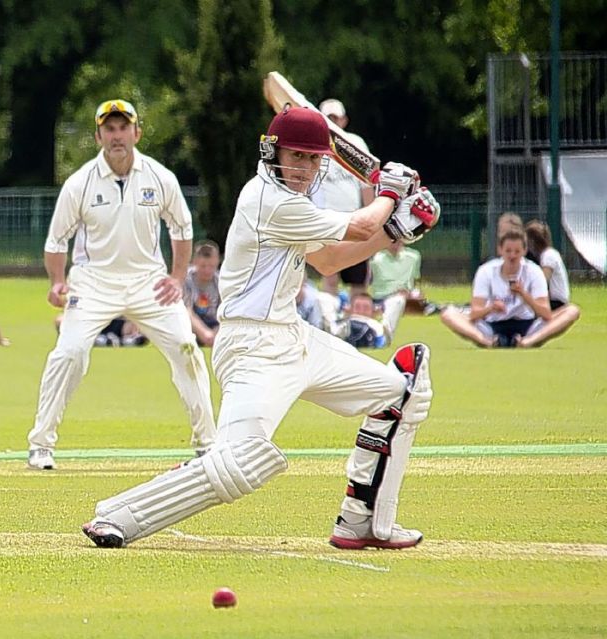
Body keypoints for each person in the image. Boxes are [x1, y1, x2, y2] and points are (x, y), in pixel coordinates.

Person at [81, 106, 440, 551]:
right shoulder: (268, 200)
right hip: (253, 349)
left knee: (399, 393)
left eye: (313, 159)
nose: (304, 168)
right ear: (273, 153)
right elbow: (362, 223)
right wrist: (391, 192)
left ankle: (361, 521)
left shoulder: (296, 202)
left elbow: (328, 260)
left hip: (295, 337)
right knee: (243, 461)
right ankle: (119, 514)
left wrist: (395, 230)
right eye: (296, 156)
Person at [25, 98, 215, 471]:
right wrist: (57, 281)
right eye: (109, 129)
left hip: (149, 283)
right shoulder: (80, 183)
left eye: (123, 128)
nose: (117, 136)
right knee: (69, 353)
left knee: (186, 348)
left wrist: (177, 278)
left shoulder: (160, 177)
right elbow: (56, 240)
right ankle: (41, 445)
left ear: (136, 133)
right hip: (93, 284)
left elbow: (181, 228)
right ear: (98, 137)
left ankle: (208, 444)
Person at [439, 229, 580, 348]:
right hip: (492, 325)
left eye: (517, 251)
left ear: (524, 251)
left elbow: (546, 314)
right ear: (500, 250)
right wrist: (491, 308)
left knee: (572, 310)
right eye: (508, 251)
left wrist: (524, 294)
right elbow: (474, 314)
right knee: (448, 314)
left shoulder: (534, 271)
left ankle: (528, 342)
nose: (512, 256)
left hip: (527, 325)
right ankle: (487, 342)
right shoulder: (486, 271)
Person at [314, 99, 374, 299]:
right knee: (329, 275)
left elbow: (366, 184)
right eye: (328, 118)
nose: (332, 122)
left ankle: (357, 315)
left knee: (358, 278)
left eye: (335, 118)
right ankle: (329, 315)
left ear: (344, 120)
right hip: (327, 221)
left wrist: (372, 219)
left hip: (353, 220)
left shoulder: (356, 144)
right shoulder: (315, 147)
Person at [524, 220, 572, 310]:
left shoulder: (548, 255)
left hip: (556, 302)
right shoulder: (546, 254)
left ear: (532, 241)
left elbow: (543, 281)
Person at [184, 240, 221, 346]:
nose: (207, 270)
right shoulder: (186, 280)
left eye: (211, 266)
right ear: (194, 262)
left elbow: (226, 311)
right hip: (190, 324)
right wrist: (205, 333)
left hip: (214, 323)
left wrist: (216, 332)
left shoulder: (221, 281)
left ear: (217, 262)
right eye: (203, 266)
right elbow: (187, 311)